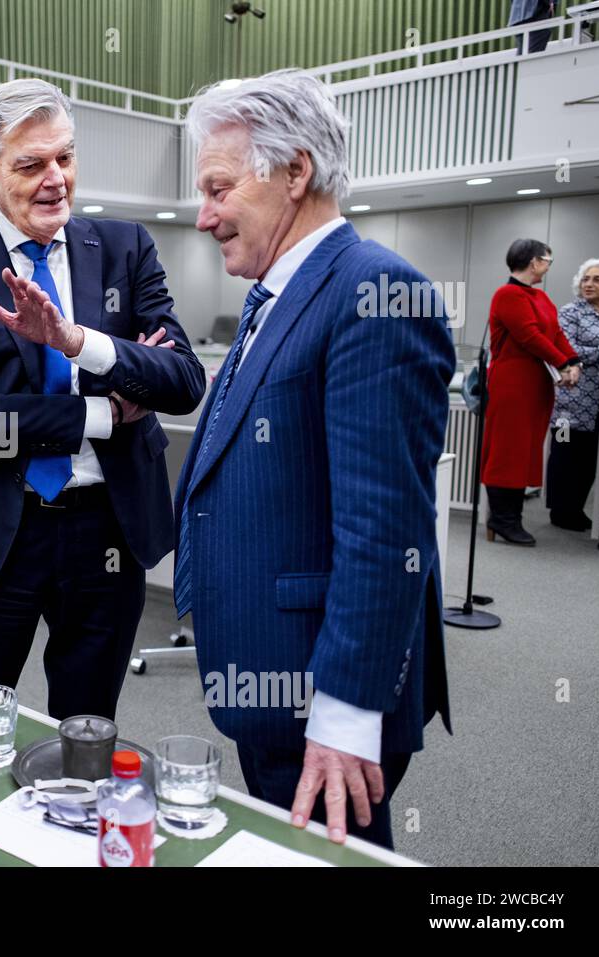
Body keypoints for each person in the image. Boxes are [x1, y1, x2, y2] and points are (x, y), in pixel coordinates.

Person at [173, 69, 457, 849]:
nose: (203, 217)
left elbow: (386, 528)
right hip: (272, 674)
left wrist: (345, 714)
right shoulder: (280, 292)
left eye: (219, 188)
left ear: (294, 171)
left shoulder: (374, 294)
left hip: (321, 698)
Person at [0, 78, 206, 722]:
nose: (56, 180)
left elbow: (183, 380)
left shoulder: (128, 250)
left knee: (87, 729)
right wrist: (104, 412)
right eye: (30, 164)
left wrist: (81, 343)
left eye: (65, 158)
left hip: (105, 528)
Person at [480, 239, 580, 545]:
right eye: (547, 260)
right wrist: (563, 363)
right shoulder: (507, 294)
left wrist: (573, 361)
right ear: (534, 261)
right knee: (507, 451)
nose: (548, 266)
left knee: (524, 450)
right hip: (512, 382)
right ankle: (502, 518)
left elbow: (556, 334)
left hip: (535, 383)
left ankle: (511, 516)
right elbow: (529, 336)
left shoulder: (541, 298)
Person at [547, 259, 599, 531]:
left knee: (591, 457)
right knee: (564, 453)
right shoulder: (570, 311)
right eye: (586, 279)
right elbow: (566, 350)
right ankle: (559, 510)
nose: (589, 284)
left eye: (597, 279)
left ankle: (575, 508)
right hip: (569, 402)